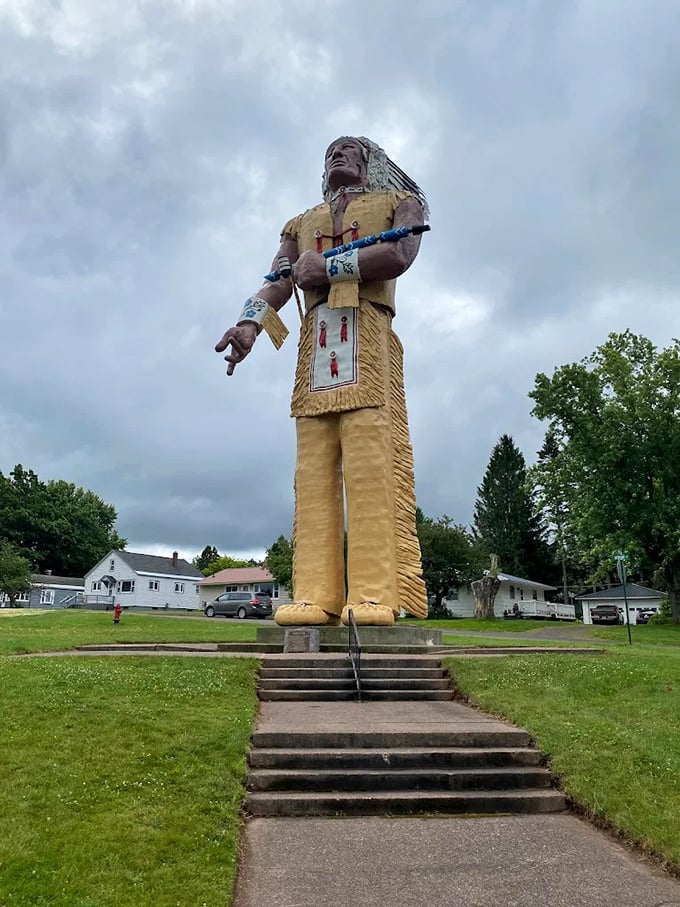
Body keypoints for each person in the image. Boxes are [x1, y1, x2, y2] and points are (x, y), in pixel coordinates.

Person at [215, 137, 429, 627]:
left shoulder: (400, 203)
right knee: (312, 471)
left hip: (368, 336)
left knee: (369, 466)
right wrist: (250, 323)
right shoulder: (300, 223)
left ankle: (374, 595)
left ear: (369, 161)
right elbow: (279, 277)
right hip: (316, 347)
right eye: (331, 151)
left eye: (349, 149)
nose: (338, 156)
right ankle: (315, 592)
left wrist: (330, 265)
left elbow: (399, 255)